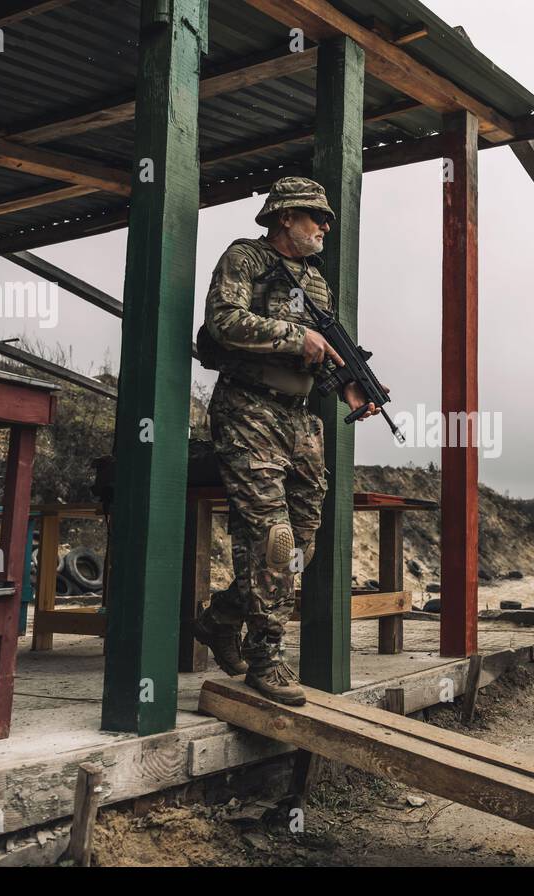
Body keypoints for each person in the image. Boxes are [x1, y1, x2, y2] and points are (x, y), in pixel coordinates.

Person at [192, 176, 380, 705]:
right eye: (315, 217)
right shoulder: (245, 260)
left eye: (326, 220)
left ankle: (222, 618)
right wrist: (299, 337)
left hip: (300, 421)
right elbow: (222, 320)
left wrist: (351, 386)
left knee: (303, 542)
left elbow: (325, 353)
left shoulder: (316, 281)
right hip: (249, 409)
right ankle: (266, 657)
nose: (324, 227)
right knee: (271, 539)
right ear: (283, 218)